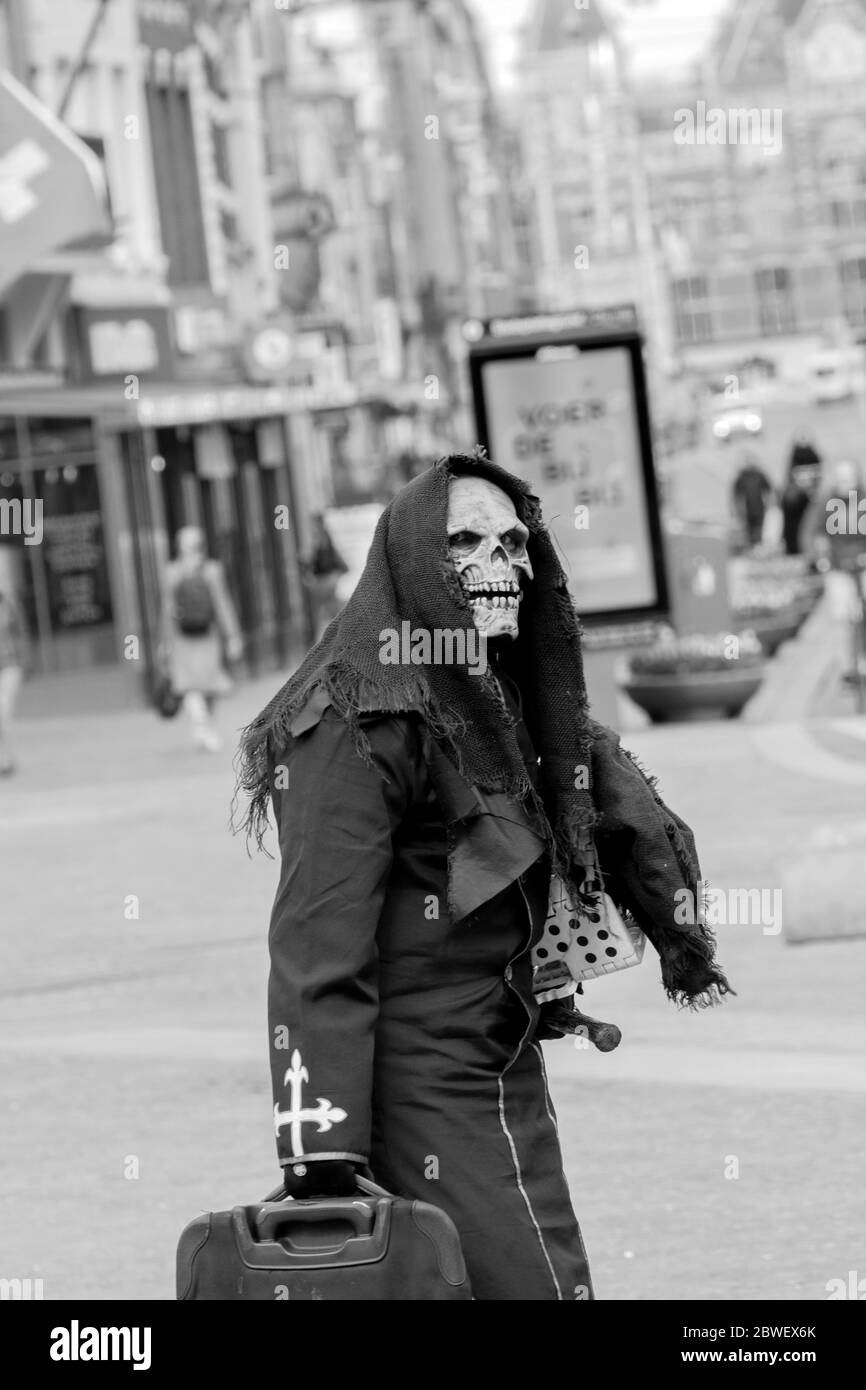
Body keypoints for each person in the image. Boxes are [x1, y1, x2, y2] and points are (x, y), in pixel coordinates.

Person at [236, 452, 732, 1302]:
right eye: (467, 543)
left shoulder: (483, 688)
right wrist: (321, 1158)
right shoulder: (352, 711)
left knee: (545, 1277)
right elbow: (316, 944)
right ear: (416, 564)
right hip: (416, 1073)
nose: (500, 568)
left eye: (515, 543)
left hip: (502, 1050)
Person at [161, 526, 243, 753]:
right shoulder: (208, 570)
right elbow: (221, 604)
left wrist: (232, 635)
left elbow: (167, 609)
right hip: (196, 637)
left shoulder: (174, 571)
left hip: (193, 637)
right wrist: (232, 636)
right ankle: (203, 728)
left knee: (202, 686)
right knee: (194, 686)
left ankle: (203, 728)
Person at [302, 513, 348, 642]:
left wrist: (307, 566)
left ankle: (323, 641)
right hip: (328, 579)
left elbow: (320, 559)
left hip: (325, 580)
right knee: (330, 610)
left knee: (322, 611)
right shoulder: (323, 536)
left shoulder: (320, 537)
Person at [0, 584, 29, 776]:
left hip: (11, 665)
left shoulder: (7, 603)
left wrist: (27, 661)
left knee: (3, 711)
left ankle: (10, 760)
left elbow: (22, 632)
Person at [732, 454, 774, 548]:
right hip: (747, 508)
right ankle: (750, 546)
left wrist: (769, 502)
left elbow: (768, 490)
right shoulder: (742, 478)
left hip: (759, 507)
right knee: (748, 528)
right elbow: (737, 495)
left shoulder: (760, 476)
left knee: (759, 527)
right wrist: (738, 509)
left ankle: (758, 546)